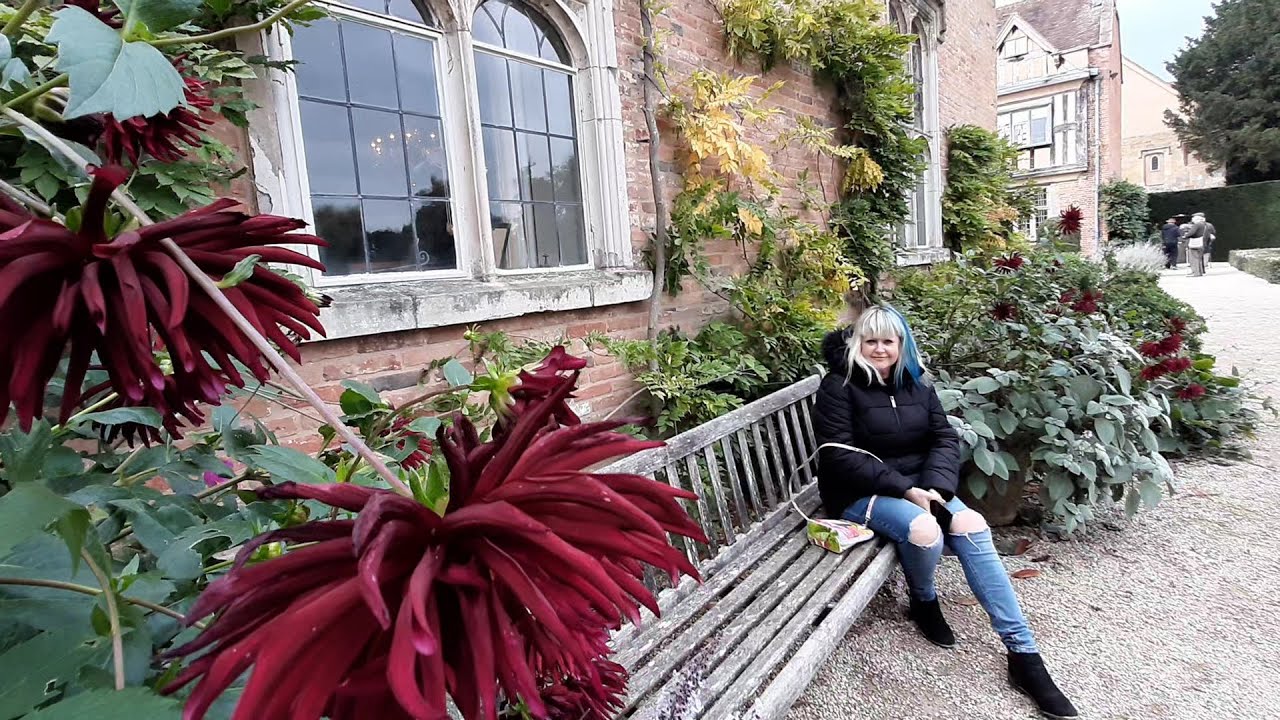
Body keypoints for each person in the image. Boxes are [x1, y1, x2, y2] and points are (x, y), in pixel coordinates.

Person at [814, 305, 1079, 720]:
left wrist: (935, 488)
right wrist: (906, 490)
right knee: (924, 530)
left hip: (922, 487)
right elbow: (839, 456)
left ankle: (1024, 655)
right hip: (859, 490)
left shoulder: (917, 383)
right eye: (870, 341)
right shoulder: (838, 386)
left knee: (972, 523)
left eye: (888, 341)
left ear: (902, 344)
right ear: (857, 344)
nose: (879, 349)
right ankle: (923, 600)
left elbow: (943, 438)